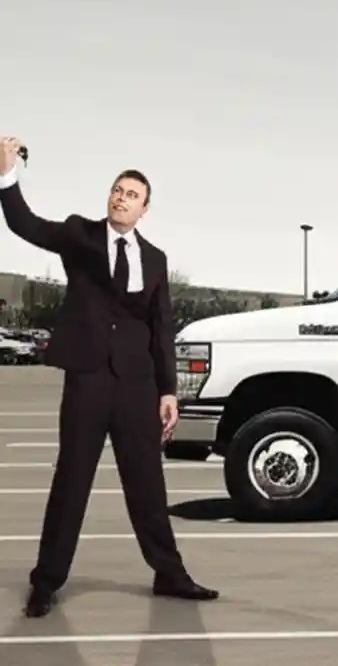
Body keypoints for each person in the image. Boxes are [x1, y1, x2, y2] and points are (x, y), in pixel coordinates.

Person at [0, 136, 218, 618]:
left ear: (145, 209)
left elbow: (162, 329)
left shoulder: (156, 260)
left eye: (132, 194)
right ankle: (46, 581)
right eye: (117, 190)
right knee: (71, 481)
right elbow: (24, 224)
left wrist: (168, 391)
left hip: (137, 386)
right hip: (89, 379)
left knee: (147, 484)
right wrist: (7, 174)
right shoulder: (81, 236)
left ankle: (170, 574)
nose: (121, 197)